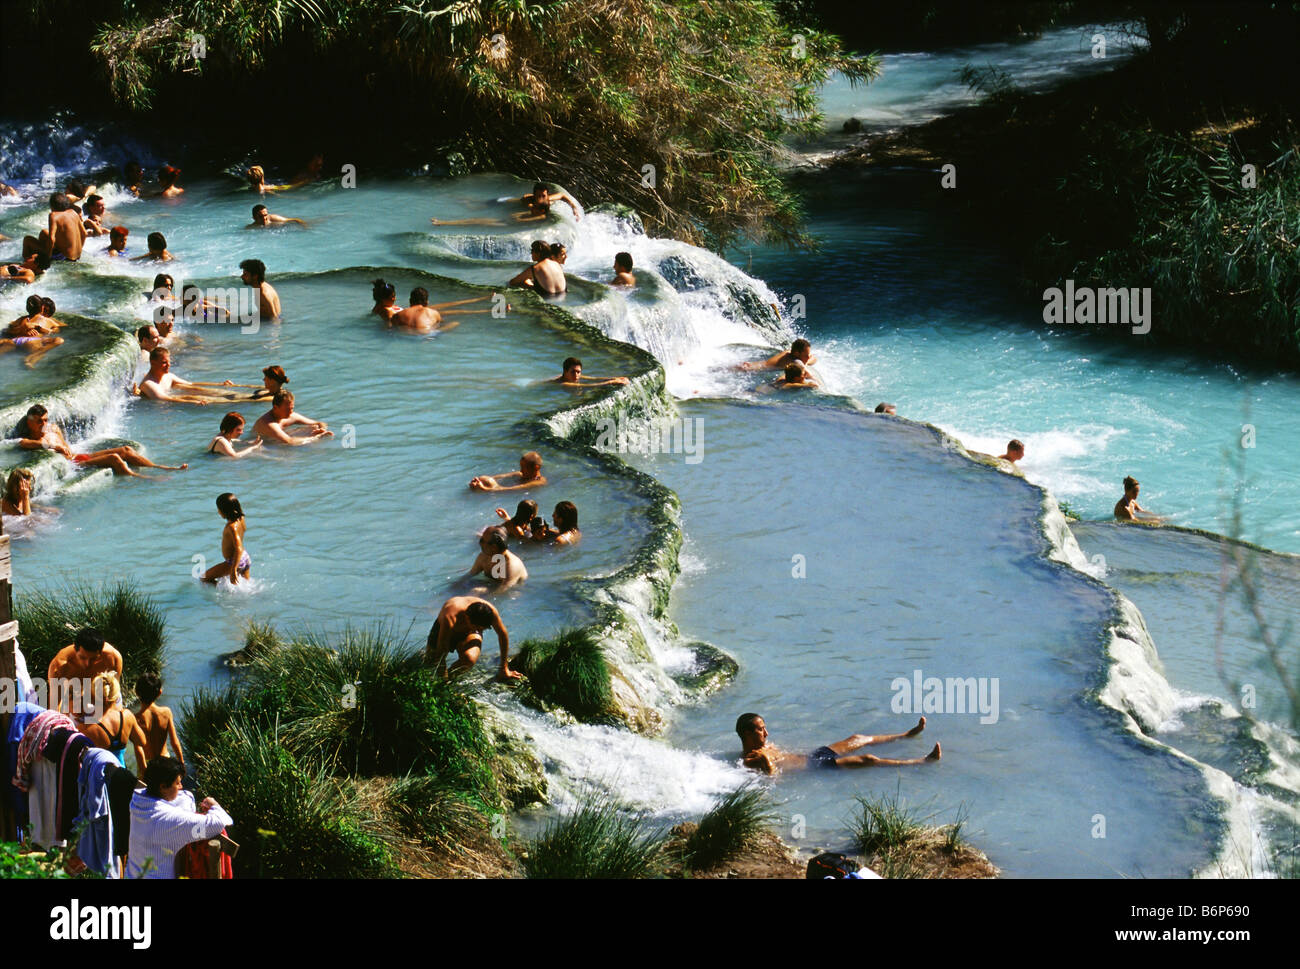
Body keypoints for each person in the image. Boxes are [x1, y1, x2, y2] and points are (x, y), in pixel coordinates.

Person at [127, 757, 232, 879]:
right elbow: (217, 824)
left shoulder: (136, 800)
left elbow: (183, 797)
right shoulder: (169, 821)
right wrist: (214, 805)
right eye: (177, 783)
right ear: (162, 787)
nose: (181, 787)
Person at [11, 403, 187, 474]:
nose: (44, 423)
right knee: (113, 458)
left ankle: (160, 467)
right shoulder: (30, 436)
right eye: (40, 421)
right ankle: (143, 479)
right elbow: (22, 443)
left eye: (46, 419)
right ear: (30, 421)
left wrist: (61, 447)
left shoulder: (53, 428)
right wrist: (50, 446)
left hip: (78, 456)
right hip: (73, 465)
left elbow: (68, 447)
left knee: (125, 449)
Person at [736, 713, 940, 773]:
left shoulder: (764, 748)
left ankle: (907, 735)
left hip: (814, 756)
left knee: (857, 739)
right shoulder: (751, 759)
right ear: (747, 733)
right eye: (761, 729)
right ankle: (922, 762)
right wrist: (767, 762)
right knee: (867, 759)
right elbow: (772, 782)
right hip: (816, 767)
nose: (767, 732)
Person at [425, 596, 521, 681]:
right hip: (445, 629)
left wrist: (504, 668)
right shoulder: (450, 617)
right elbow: (441, 655)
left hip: (470, 631)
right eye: (478, 628)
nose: (480, 631)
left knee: (469, 659)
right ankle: (441, 680)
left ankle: (450, 679)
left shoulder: (490, 612)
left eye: (482, 629)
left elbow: (502, 635)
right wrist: (442, 678)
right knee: (432, 663)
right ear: (466, 618)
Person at [46, 628, 124, 721]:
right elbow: (54, 705)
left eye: (94, 659)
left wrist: (109, 720)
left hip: (104, 699)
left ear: (101, 652)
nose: (87, 664)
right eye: (82, 657)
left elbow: (113, 691)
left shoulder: (112, 657)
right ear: (75, 649)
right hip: (76, 707)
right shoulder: (59, 666)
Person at [78, 671, 148, 769]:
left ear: (93, 696)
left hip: (100, 779)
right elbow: (142, 741)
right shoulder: (127, 716)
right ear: (116, 696)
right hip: (122, 774)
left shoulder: (86, 728)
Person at [137, 347, 231, 406]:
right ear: (153, 363)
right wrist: (193, 402)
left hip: (169, 402)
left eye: (169, 362)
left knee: (196, 389)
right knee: (189, 396)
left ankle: (234, 397)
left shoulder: (167, 376)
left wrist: (220, 384)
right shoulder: (148, 384)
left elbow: (191, 384)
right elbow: (165, 399)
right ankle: (231, 401)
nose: (169, 365)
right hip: (161, 414)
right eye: (164, 363)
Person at [134, 672, 184, 766]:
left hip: (148, 763)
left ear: (136, 692)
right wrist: (181, 762)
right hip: (165, 760)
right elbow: (174, 741)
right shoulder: (166, 712)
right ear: (159, 693)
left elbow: (138, 749)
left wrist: (143, 770)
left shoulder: (135, 719)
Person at [389, 287, 494, 332]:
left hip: (407, 335)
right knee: (455, 322)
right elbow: (439, 323)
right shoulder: (433, 312)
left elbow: (391, 327)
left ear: (410, 301)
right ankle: (489, 308)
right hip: (426, 335)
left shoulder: (398, 315)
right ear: (427, 302)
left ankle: (487, 303)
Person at [202, 492, 251, 584]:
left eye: (219, 509)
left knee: (204, 578)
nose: (218, 512)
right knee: (247, 587)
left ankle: (224, 594)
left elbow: (238, 548)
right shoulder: (241, 519)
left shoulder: (232, 527)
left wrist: (233, 570)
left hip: (235, 561)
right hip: (245, 557)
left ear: (224, 510)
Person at [21, 193, 86, 262]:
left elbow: (52, 239)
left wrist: (47, 258)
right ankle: (38, 256)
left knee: (27, 239)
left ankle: (26, 262)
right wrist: (79, 252)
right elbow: (84, 233)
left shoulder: (54, 215)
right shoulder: (73, 212)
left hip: (63, 258)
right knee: (44, 232)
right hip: (76, 257)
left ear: (52, 206)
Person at [252, 390, 332, 446]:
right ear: (276, 408)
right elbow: (290, 442)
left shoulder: (290, 415)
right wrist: (316, 437)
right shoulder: (269, 424)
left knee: (313, 427)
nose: (291, 412)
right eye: (287, 409)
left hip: (281, 437)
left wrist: (322, 430)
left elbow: (320, 423)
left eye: (292, 408)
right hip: (262, 444)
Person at [463, 526, 528, 592]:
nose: (479, 543)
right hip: (492, 585)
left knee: (476, 591)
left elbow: (503, 591)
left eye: (482, 540)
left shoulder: (511, 565)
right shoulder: (484, 556)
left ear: (494, 547)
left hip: (514, 591)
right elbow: (470, 575)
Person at [470, 451, 546, 492]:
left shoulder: (539, 482)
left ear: (536, 467)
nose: (521, 471)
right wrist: (477, 481)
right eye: (521, 467)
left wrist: (485, 489)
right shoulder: (520, 474)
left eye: (524, 468)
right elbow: (500, 476)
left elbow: (513, 489)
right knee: (485, 479)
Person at [737, 338, 816, 372]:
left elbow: (814, 358)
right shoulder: (790, 360)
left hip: (755, 365)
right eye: (806, 355)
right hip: (751, 368)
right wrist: (805, 363)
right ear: (797, 353)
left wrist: (806, 361)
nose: (808, 357)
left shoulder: (790, 352)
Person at [551, 356, 629, 388]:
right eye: (573, 372)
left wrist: (615, 378)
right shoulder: (564, 383)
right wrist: (612, 382)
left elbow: (595, 378)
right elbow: (589, 385)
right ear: (565, 371)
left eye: (578, 372)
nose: (576, 375)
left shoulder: (574, 376)